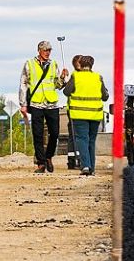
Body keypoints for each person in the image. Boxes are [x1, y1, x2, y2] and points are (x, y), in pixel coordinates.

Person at [20, 40, 67, 172]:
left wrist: (62, 77)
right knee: (38, 134)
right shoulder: (29, 64)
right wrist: (23, 104)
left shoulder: (54, 64)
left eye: (49, 50)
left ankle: (48, 156)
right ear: (39, 51)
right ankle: (41, 163)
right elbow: (23, 84)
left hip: (51, 104)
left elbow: (58, 85)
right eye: (45, 50)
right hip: (36, 103)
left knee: (55, 133)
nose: (47, 52)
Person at [66, 55, 108, 176]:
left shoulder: (76, 76)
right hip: (95, 114)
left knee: (82, 139)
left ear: (81, 64)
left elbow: (66, 92)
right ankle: (92, 168)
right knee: (91, 140)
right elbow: (105, 97)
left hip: (79, 114)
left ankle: (85, 166)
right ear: (91, 65)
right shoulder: (98, 77)